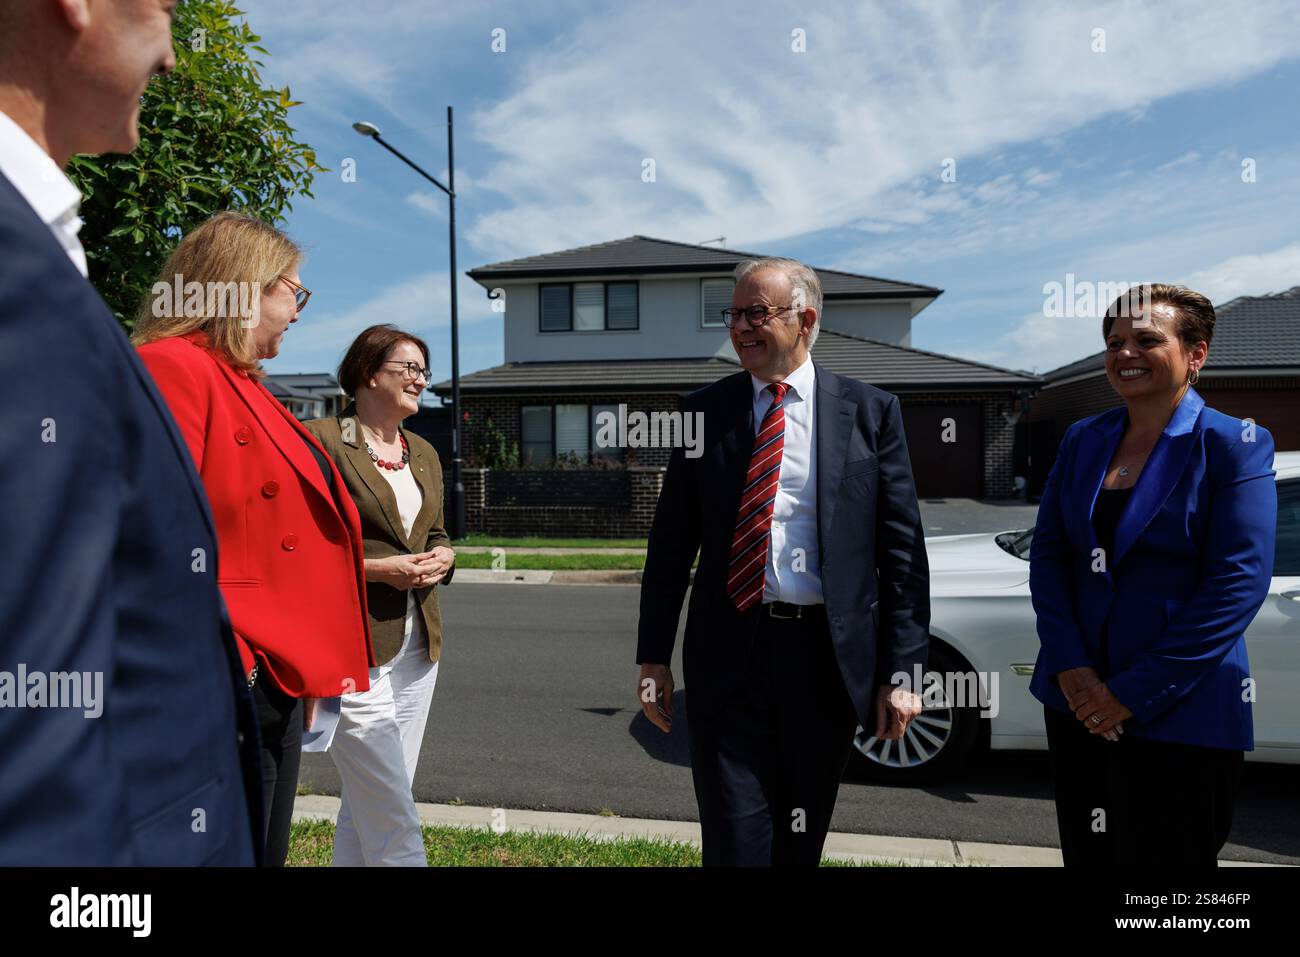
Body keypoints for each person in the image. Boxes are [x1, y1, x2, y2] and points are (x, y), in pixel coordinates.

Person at [0, 0, 261, 864]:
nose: (176, 58)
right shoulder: (16, 275)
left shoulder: (41, 254)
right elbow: (31, 752)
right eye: (165, 8)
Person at [636, 257, 930, 866]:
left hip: (825, 660)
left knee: (800, 837)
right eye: (734, 314)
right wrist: (653, 657)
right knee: (735, 841)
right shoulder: (702, 413)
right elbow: (670, 549)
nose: (739, 327)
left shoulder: (871, 413)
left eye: (757, 313)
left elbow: (900, 555)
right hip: (728, 657)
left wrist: (902, 672)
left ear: (805, 319)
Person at [133, 211, 374, 866]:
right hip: (221, 669)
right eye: (294, 290)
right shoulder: (172, 367)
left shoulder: (252, 388)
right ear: (246, 286)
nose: (299, 309)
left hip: (273, 673)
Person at [1030, 284, 1277, 867]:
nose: (1124, 353)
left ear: (1196, 354)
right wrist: (1073, 669)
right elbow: (1050, 556)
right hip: (1078, 705)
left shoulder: (1235, 443)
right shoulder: (1082, 439)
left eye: (1146, 339)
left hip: (1182, 708)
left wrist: (1130, 694)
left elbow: (1237, 582)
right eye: (1114, 342)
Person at [306, 325, 455, 867]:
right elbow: (295, 546)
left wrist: (445, 557)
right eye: (408, 368)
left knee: (374, 797)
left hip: (419, 648)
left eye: (423, 370)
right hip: (351, 646)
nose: (421, 379)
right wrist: (374, 570)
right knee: (392, 806)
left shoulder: (424, 452)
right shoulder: (320, 441)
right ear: (370, 372)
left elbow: (432, 532)